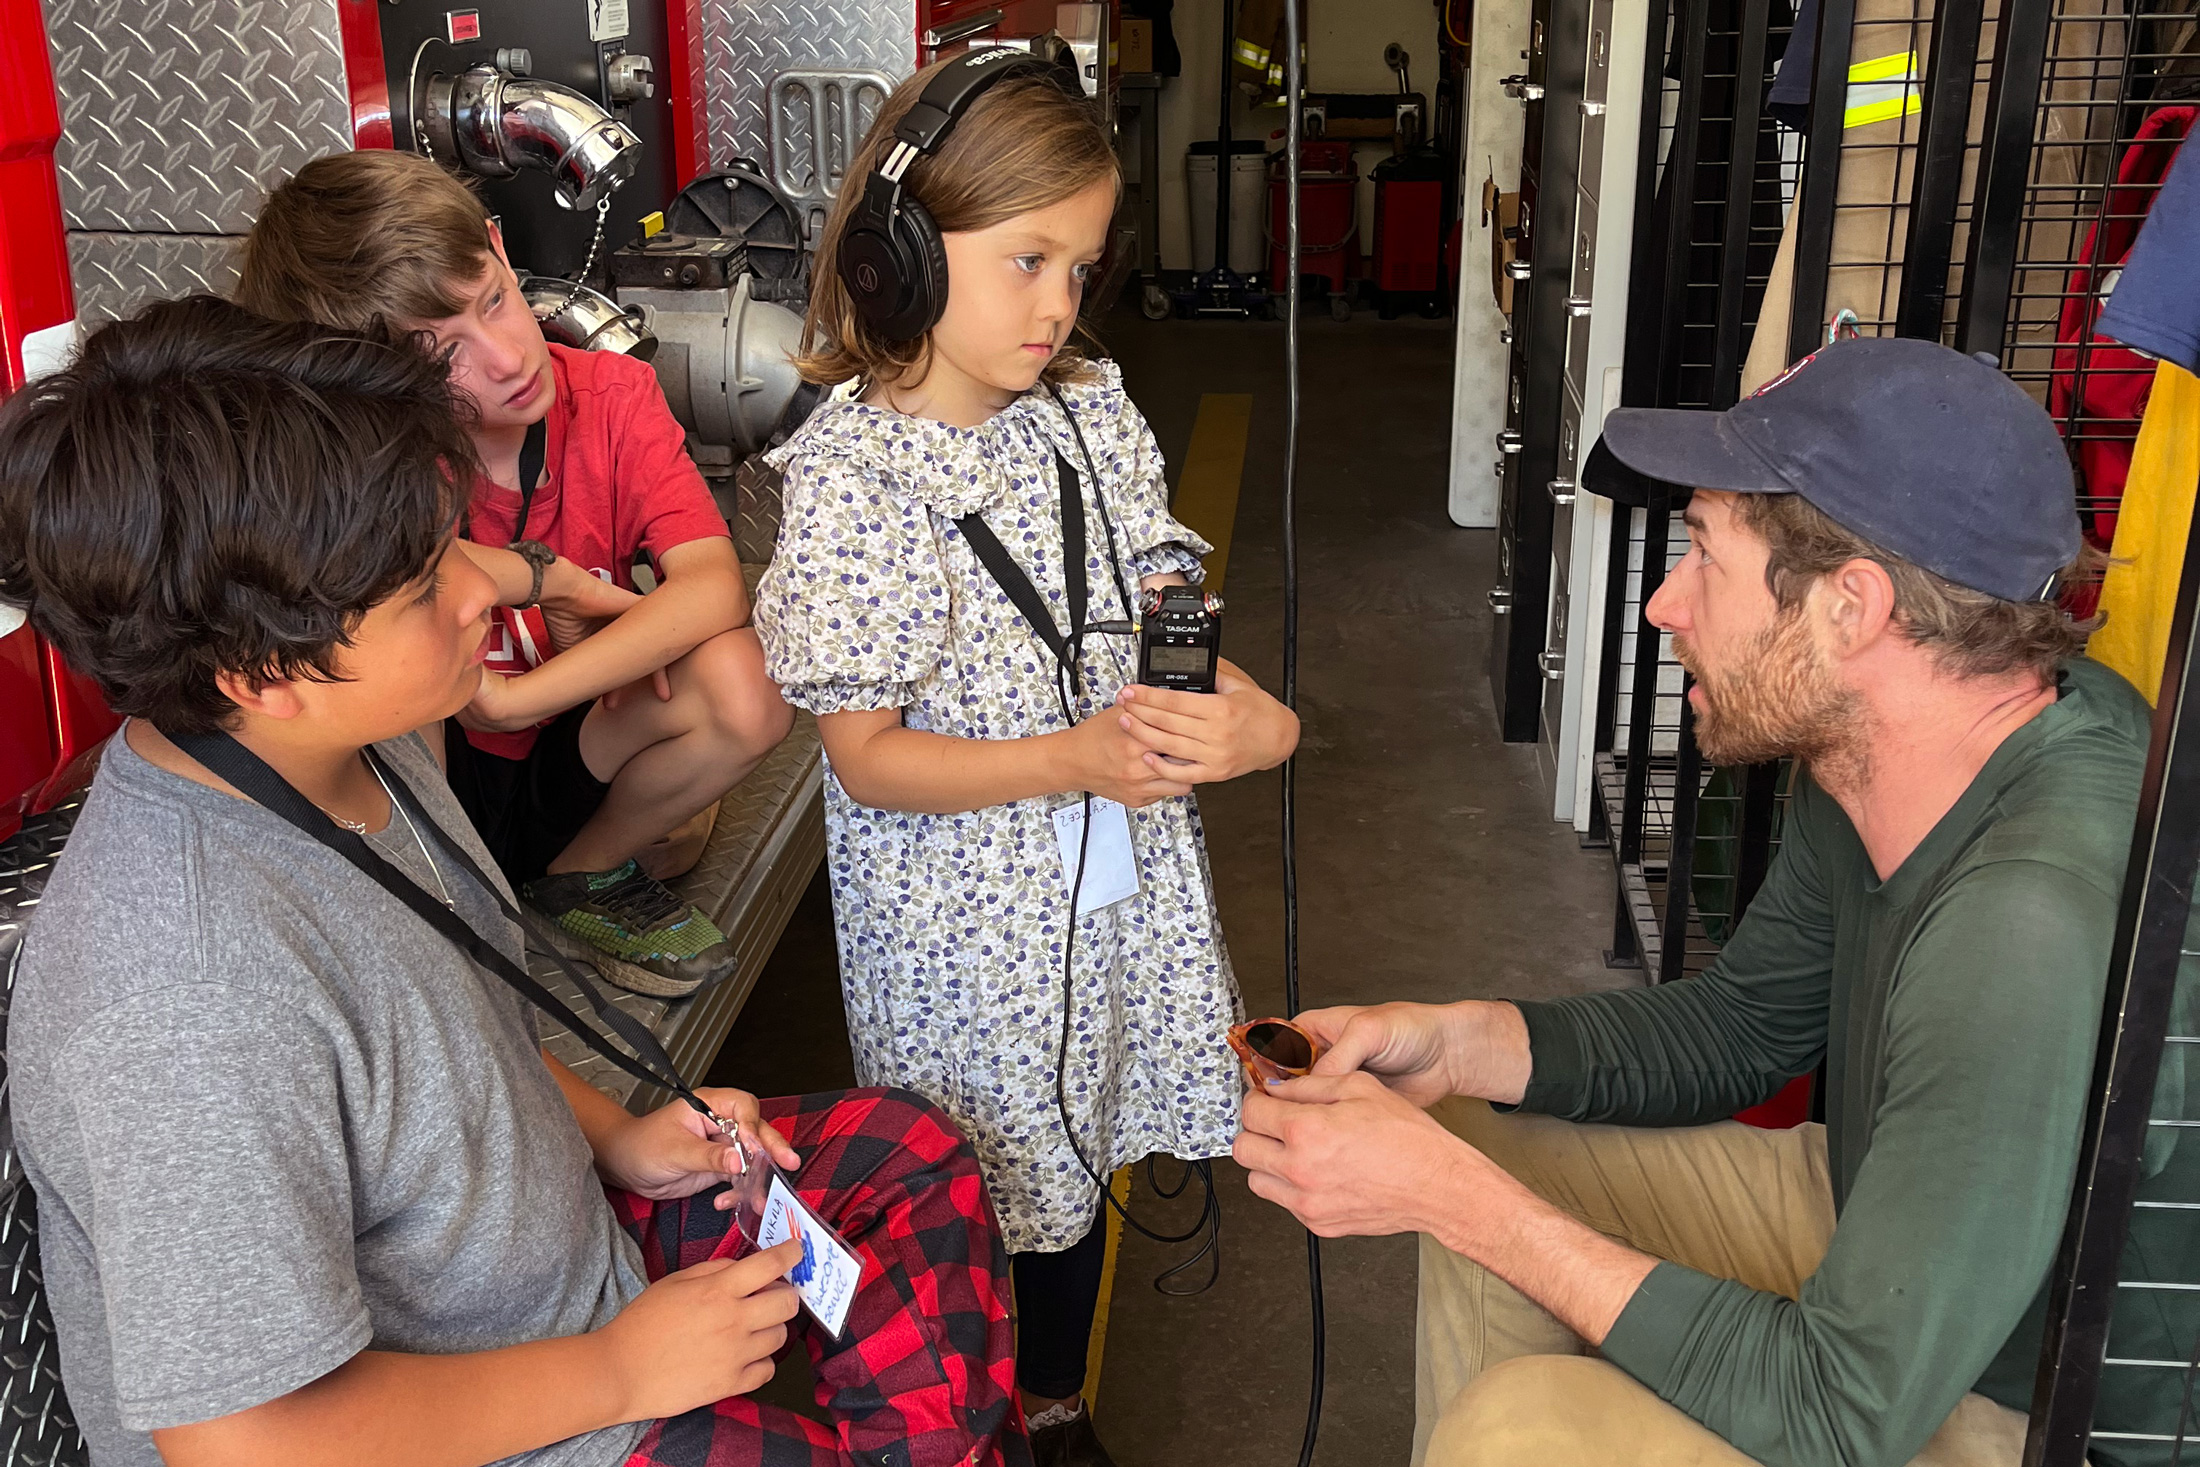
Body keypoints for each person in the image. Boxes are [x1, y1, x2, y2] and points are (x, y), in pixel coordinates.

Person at [0, 297, 1027, 1467]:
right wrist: (621, 1372)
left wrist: (620, 1141)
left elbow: (439, 1038)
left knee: (904, 1160)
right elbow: (245, 1441)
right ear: (265, 672)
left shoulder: (348, 736)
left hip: (548, 1273)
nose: (483, 588)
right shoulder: (181, 993)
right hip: (468, 1420)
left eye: (450, 542)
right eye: (422, 585)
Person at [1233, 337, 2169, 1467]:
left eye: (1704, 555)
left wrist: (1450, 1200)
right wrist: (1458, 1042)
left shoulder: (2024, 920)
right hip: (1895, 1236)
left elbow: (1842, 1413)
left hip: (2033, 1404)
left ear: (1852, 608)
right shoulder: (1911, 742)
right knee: (1478, 1136)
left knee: (1521, 1426)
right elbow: (1746, 1027)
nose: (1663, 606)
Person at [751, 53, 1300, 1467]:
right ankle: (971, 1414)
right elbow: (869, 761)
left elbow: (1163, 585)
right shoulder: (854, 484)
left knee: (1082, 1126)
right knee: (980, 1170)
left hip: (1108, 877)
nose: (1060, 304)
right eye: (1027, 260)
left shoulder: (1086, 407)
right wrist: (1074, 755)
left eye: (1083, 266)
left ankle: (1050, 1401)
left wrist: (1238, 708)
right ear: (898, 257)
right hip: (962, 923)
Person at [234, 151, 792, 998]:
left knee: (745, 681)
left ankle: (581, 876)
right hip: (433, 787)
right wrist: (554, 585)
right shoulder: (372, 473)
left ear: (497, 245)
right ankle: (455, 904)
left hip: (579, 752)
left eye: (493, 300)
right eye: (441, 357)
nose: (503, 357)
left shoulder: (613, 395)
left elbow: (714, 588)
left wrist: (516, 699)